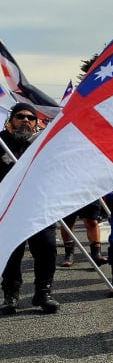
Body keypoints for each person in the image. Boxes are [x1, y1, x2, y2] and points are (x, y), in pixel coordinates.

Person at [0, 102, 59, 314]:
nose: (26, 120)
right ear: (11, 120)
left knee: (47, 249)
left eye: (30, 118)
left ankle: (43, 293)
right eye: (20, 116)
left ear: (36, 123)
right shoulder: (1, 142)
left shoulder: (43, 143)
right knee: (11, 253)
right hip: (8, 209)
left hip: (38, 207)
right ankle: (11, 295)